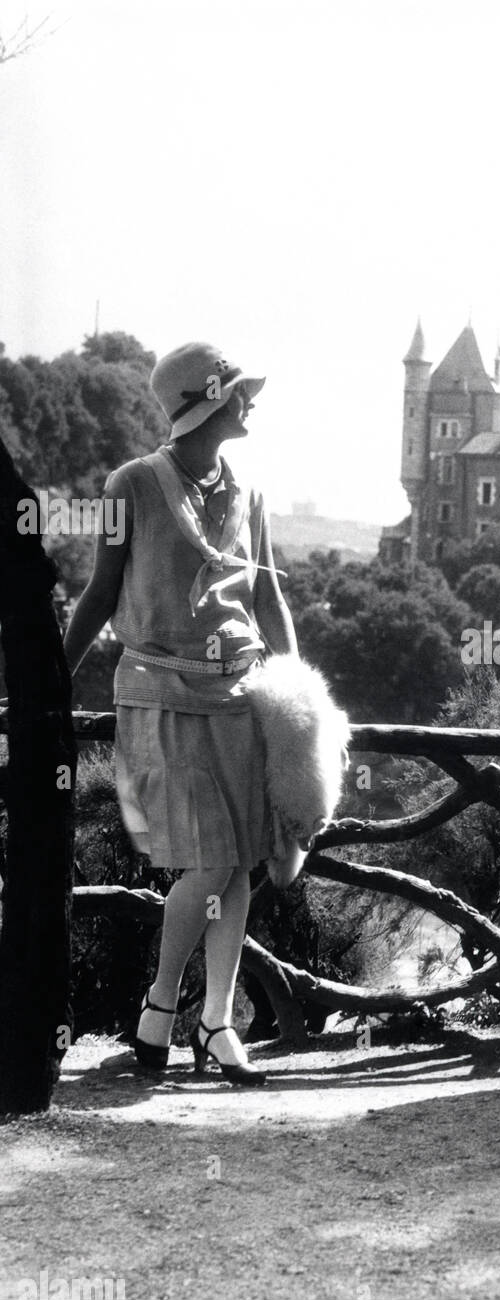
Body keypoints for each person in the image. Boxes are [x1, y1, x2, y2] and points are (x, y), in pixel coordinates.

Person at [64, 342, 298, 1087]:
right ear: (212, 402)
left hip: (240, 699)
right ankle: (163, 1003)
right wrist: (47, 686)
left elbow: (268, 601)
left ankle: (217, 1022)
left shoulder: (251, 496)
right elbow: (99, 596)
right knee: (212, 862)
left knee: (241, 868)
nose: (251, 401)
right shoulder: (128, 485)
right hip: (160, 696)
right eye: (240, 392)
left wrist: (297, 700)